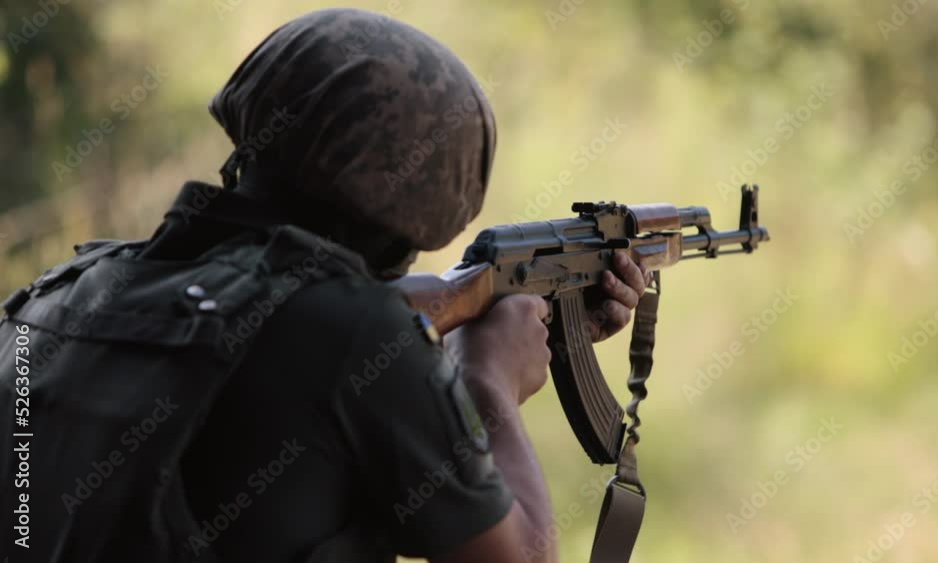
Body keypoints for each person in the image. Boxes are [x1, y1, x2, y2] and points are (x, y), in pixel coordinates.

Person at [0, 8, 649, 563]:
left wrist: (561, 325)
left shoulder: (52, 296)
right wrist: (489, 381)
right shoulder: (355, 336)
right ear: (418, 213)